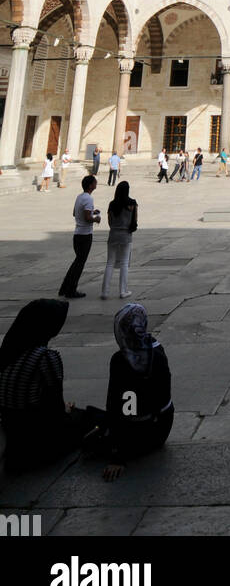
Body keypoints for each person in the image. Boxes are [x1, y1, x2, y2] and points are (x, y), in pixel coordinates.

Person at [0, 300, 104, 473]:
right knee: (96, 417)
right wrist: (68, 412)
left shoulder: (10, 351)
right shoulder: (45, 357)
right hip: (40, 442)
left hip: (13, 435)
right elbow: (54, 406)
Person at [99, 303, 173, 481]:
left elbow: (124, 410)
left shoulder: (122, 361)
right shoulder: (156, 348)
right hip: (163, 427)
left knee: (90, 421)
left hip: (139, 438)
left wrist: (118, 456)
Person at [58, 175, 101, 298]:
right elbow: (87, 218)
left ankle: (64, 288)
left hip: (77, 234)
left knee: (77, 262)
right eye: (94, 182)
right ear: (90, 185)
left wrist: (92, 212)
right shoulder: (88, 199)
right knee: (79, 264)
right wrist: (95, 218)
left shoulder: (80, 197)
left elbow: (75, 213)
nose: (96, 183)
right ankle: (71, 290)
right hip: (85, 235)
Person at [100, 180, 138, 300]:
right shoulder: (132, 203)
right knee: (124, 263)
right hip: (126, 235)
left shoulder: (112, 204)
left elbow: (110, 222)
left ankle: (104, 292)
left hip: (113, 235)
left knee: (110, 263)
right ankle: (123, 291)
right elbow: (135, 221)